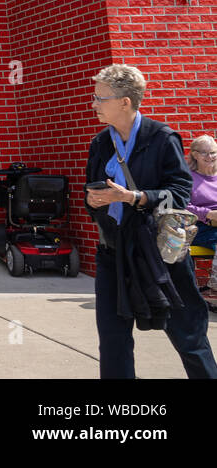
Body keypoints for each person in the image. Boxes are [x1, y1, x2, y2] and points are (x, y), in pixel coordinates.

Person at [86, 64, 217, 378]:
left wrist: (134, 198)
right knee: (113, 341)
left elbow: (180, 193)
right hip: (113, 251)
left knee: (188, 334)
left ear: (124, 102)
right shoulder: (100, 143)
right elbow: (91, 190)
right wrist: (94, 201)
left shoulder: (161, 138)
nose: (93, 104)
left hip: (158, 253)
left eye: (99, 98)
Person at [186, 135, 217, 308]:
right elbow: (183, 206)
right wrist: (209, 214)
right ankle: (214, 288)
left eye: (213, 152)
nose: (210, 156)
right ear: (195, 155)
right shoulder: (189, 178)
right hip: (202, 227)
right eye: (204, 152)